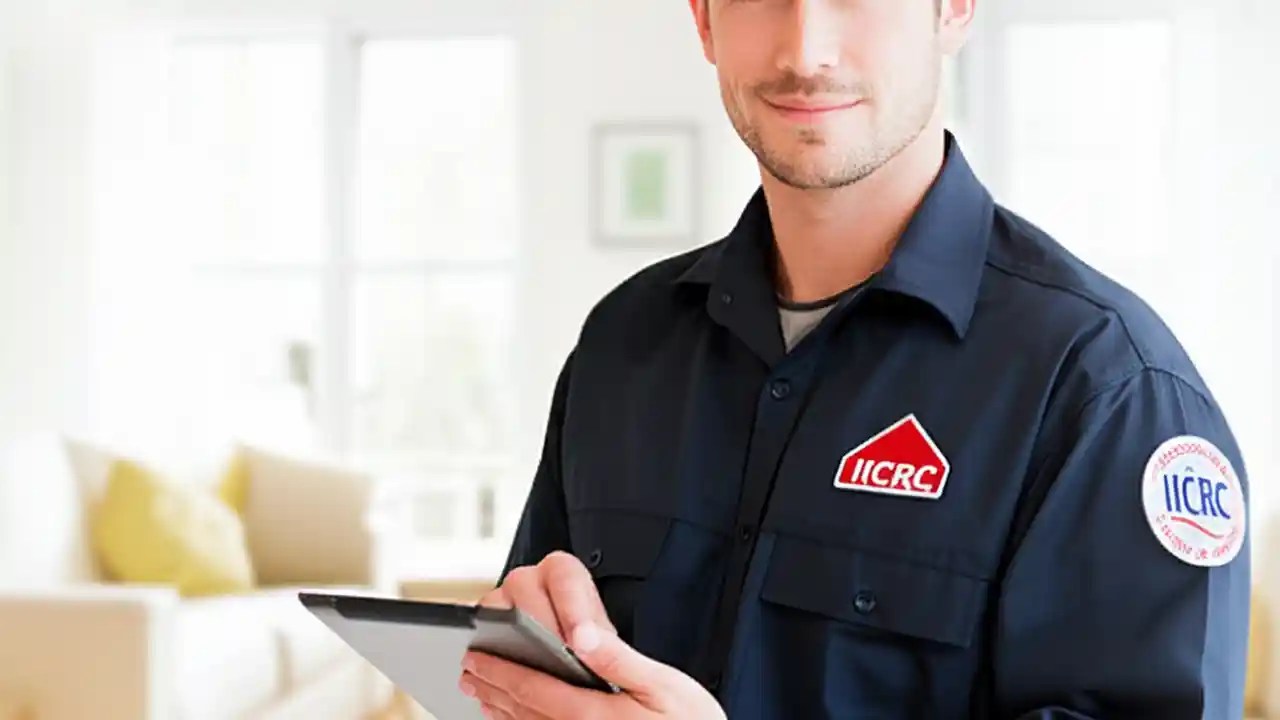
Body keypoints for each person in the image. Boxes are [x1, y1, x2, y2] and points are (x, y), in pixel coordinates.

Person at [458, 0, 1252, 717]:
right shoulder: (622, 345)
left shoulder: (1109, 390)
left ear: (953, 10)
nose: (807, 49)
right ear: (703, 20)